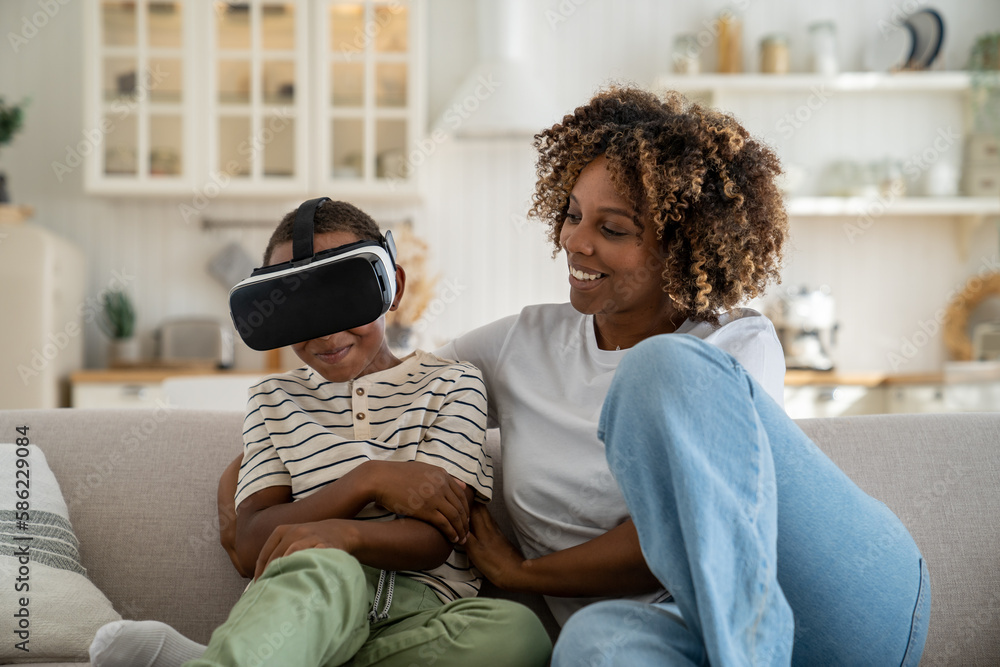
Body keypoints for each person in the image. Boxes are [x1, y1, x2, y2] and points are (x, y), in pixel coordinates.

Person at [437, 87, 930, 666]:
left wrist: (524, 572)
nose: (575, 241)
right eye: (572, 215)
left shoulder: (734, 342)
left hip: (839, 608)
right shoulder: (516, 346)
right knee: (591, 645)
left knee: (658, 366)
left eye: (613, 229)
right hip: (676, 636)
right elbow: (404, 388)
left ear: (682, 246)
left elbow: (697, 528)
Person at [88, 200, 551, 667]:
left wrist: (335, 531)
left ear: (393, 287)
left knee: (517, 634)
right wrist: (368, 481)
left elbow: (434, 539)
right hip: (305, 599)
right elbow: (251, 546)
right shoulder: (273, 400)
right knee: (326, 565)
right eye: (301, 310)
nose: (327, 335)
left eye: (344, 300)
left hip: (422, 615)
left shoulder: (453, 385)